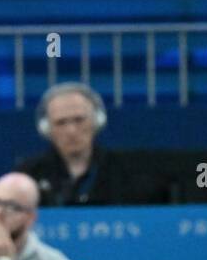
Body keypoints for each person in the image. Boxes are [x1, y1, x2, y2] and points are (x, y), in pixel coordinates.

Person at [18, 82, 166, 206]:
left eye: (79, 120)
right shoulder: (28, 174)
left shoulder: (126, 172)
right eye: (61, 122)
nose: (71, 130)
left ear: (97, 121)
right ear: (46, 128)